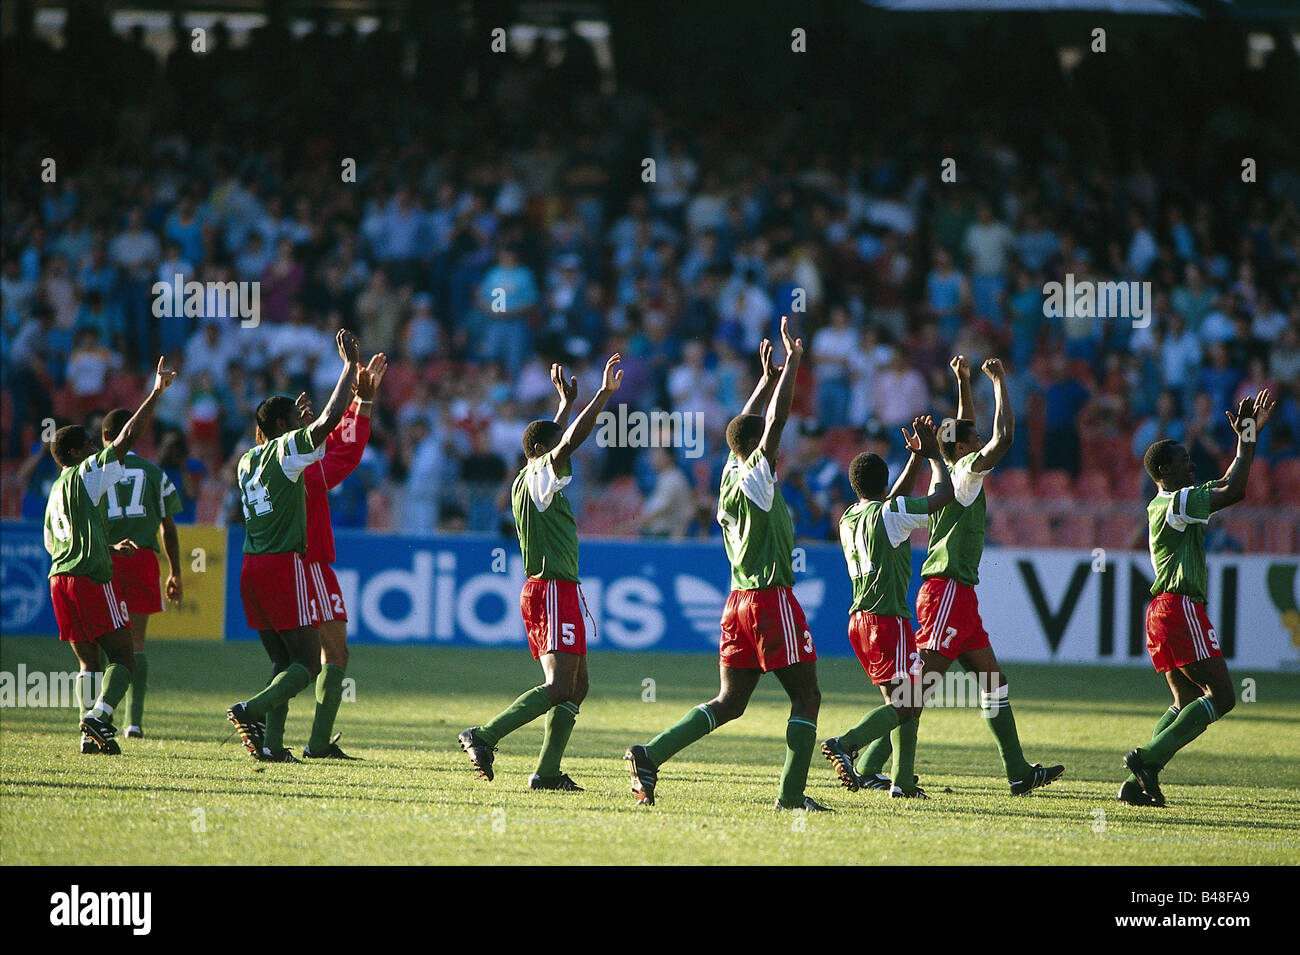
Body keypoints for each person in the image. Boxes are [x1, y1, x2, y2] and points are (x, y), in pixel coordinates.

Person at [625, 319, 829, 812]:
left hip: (737, 601)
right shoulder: (759, 474)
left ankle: (650, 755)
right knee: (807, 698)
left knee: (730, 703)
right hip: (769, 597)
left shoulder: (730, 470)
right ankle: (791, 796)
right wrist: (793, 367)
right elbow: (772, 425)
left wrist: (762, 381)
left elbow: (745, 425)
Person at [854, 356, 1065, 795]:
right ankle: (863, 758)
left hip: (956, 591)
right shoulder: (966, 473)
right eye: (974, 435)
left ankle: (1018, 773)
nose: (979, 432)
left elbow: (962, 428)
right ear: (968, 446)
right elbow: (1004, 436)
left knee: (992, 682)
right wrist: (1000, 383)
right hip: (947, 587)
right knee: (917, 688)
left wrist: (963, 382)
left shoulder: (951, 468)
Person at [457, 354, 623, 791]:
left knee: (577, 685)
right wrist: (601, 395)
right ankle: (484, 735)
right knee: (558, 684)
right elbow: (564, 444)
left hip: (553, 589)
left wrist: (564, 404)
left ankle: (547, 772)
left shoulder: (527, 475)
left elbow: (549, 441)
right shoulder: (541, 473)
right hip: (550, 589)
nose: (566, 458)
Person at [1120, 390, 1275, 807]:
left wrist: (1246, 434)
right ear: (1165, 469)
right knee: (1222, 697)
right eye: (1185, 459)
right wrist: (1249, 439)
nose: (1192, 463)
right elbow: (1237, 491)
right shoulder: (1178, 501)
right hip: (1179, 606)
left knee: (1184, 700)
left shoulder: (1171, 500)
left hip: (1160, 612)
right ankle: (1147, 759)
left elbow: (1226, 482)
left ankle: (1137, 784)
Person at [225, 329, 361, 762]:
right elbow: (327, 423)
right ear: (283, 427)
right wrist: (349, 368)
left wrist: (304, 429)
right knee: (309, 663)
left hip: (250, 565)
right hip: (286, 565)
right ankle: (251, 711)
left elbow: (311, 444)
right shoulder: (286, 453)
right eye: (294, 424)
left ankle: (271, 745)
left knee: (282, 661)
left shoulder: (247, 459)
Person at [43, 357, 176, 754]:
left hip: (58, 579)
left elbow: (55, 542)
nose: (92, 447)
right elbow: (127, 437)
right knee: (124, 657)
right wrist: (155, 393)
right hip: (89, 576)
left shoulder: (55, 491)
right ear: (73, 451)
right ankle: (100, 718)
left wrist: (106, 544)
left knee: (89, 663)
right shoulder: (87, 472)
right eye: (85, 444)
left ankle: (89, 733)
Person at [821, 416, 954, 799]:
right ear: (884, 482)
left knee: (904, 702)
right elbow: (943, 495)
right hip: (887, 619)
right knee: (909, 700)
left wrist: (913, 459)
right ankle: (846, 744)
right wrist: (933, 457)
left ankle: (902, 781)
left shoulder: (848, 518)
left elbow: (892, 501)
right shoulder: (891, 515)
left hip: (859, 621)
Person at [289, 352, 388, 760]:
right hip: (307, 562)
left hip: (286, 561)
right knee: (326, 656)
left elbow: (329, 440)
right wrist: (362, 404)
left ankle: (288, 738)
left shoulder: (267, 464)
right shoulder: (304, 474)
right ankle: (268, 720)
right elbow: (344, 454)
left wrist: (353, 404)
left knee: (300, 658)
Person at [91, 406, 185, 743]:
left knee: (102, 644)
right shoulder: (155, 474)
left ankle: (99, 713)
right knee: (136, 644)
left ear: (104, 437)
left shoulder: (94, 471)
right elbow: (169, 530)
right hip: (143, 559)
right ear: (137, 434)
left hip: (106, 558)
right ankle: (134, 722)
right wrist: (175, 572)